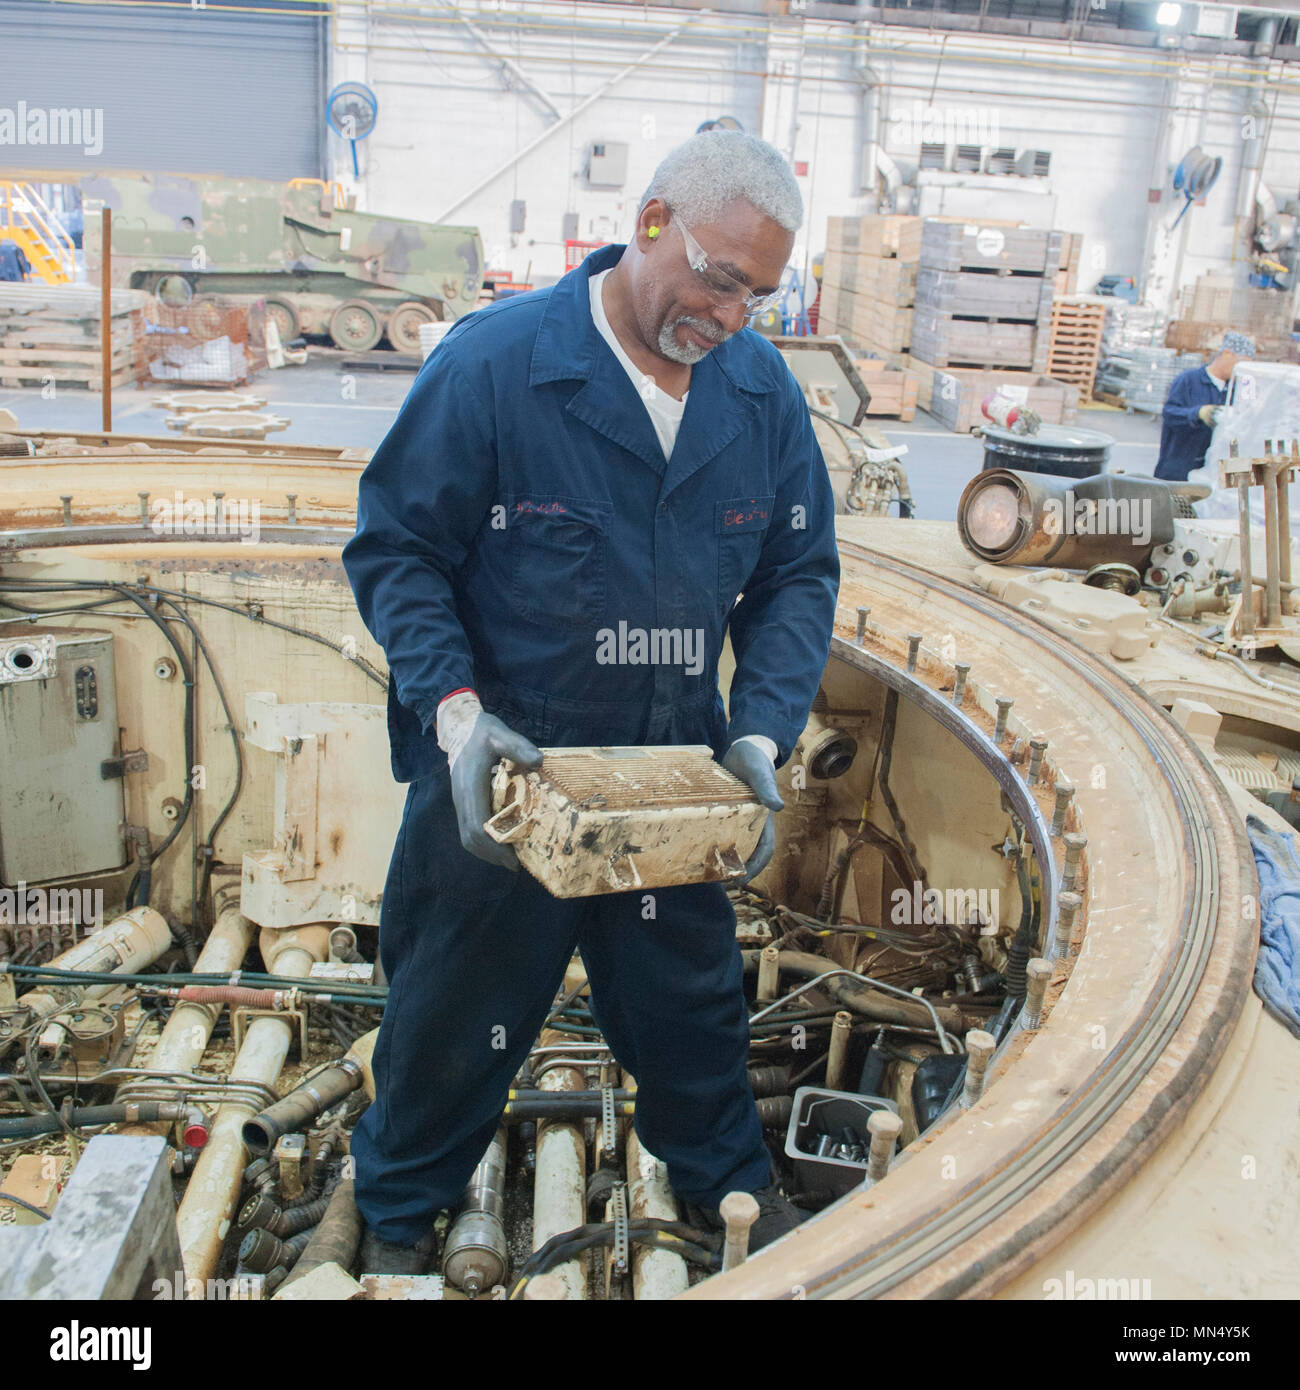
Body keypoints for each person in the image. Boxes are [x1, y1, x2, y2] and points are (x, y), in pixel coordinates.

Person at [342, 131, 840, 1275]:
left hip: (675, 783)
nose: (727, 318)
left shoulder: (756, 394)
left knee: (692, 1018)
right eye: (717, 278)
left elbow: (796, 574)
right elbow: (397, 552)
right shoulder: (497, 369)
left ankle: (735, 1214)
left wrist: (758, 726)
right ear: (652, 219)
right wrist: (459, 722)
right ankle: (398, 1219)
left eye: (757, 296)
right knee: (450, 1021)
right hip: (508, 776)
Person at [1154, 331, 1256, 482]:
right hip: (1177, 471)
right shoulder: (1189, 380)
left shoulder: (1235, 391)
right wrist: (1198, 413)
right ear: (1227, 354)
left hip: (1208, 474)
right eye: (1241, 363)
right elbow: (1170, 413)